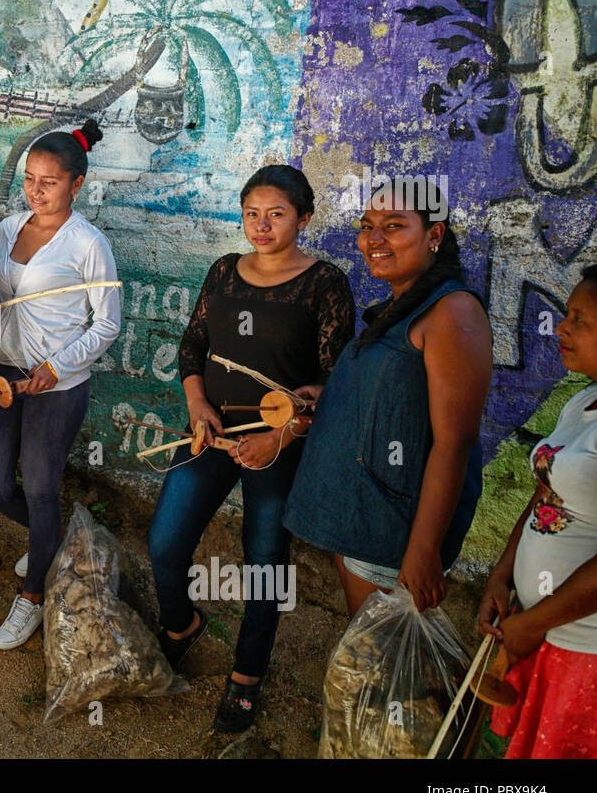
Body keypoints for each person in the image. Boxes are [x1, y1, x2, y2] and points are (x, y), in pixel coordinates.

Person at [146, 165, 355, 731]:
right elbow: (193, 346)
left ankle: (246, 676)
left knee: (264, 564)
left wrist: (280, 436)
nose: (261, 226)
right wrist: (197, 404)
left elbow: (338, 382)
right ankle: (181, 625)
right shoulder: (223, 271)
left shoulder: (323, 283)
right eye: (251, 214)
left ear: (304, 218)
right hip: (210, 434)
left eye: (277, 214)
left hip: (281, 445)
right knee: (164, 542)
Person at [285, 176, 492, 616]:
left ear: (434, 235)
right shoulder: (402, 307)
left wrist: (423, 548)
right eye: (367, 225)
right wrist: (331, 397)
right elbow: (400, 399)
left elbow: (455, 442)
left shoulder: (452, 312)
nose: (373, 240)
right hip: (363, 519)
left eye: (394, 226)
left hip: (395, 533)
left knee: (380, 672)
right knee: (367, 662)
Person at [0, 119, 122, 651]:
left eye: (49, 182)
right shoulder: (9, 229)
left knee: (39, 488)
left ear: (76, 185)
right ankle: (51, 540)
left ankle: (33, 595)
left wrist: (56, 367)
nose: (35, 191)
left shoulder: (88, 244)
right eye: (30, 179)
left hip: (56, 384)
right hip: (5, 372)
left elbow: (107, 323)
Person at [477, 265, 597, 759]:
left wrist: (532, 624)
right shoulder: (585, 401)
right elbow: (547, 488)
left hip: (585, 648)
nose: (561, 328)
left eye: (581, 320)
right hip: (545, 630)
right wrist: (502, 575)